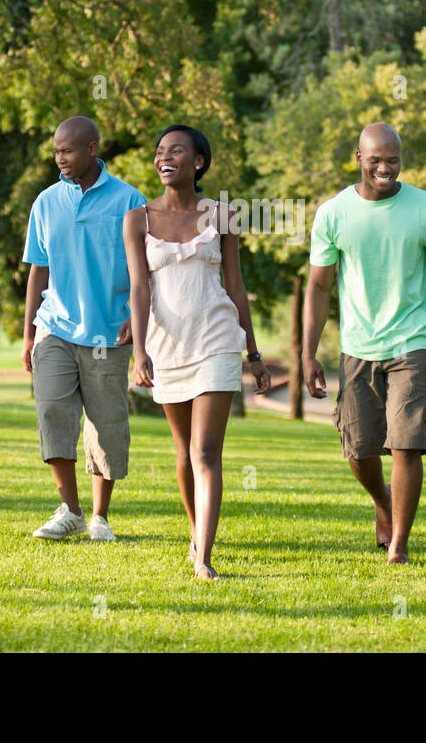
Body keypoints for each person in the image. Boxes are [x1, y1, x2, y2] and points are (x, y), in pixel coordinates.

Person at [303, 123, 426, 566]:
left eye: (393, 159)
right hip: (357, 345)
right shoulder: (333, 213)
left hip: (412, 342)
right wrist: (307, 352)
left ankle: (399, 545)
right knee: (359, 449)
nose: (385, 168)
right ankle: (383, 501)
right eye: (376, 160)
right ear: (358, 158)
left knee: (407, 441)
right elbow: (318, 286)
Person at [124, 124, 270, 581]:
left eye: (176, 151)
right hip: (167, 346)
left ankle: (204, 558)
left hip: (216, 339)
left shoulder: (223, 216)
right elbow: (139, 289)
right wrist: (141, 351)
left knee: (206, 451)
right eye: (160, 151)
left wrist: (253, 351)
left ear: (199, 162)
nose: (165, 157)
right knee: (184, 453)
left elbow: (236, 285)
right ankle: (196, 533)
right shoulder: (137, 219)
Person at [22, 116, 146, 543]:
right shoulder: (46, 201)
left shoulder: (130, 200)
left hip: (109, 330)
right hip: (54, 325)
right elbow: (39, 270)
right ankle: (70, 509)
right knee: (52, 411)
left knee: (105, 422)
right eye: (56, 151)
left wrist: (136, 313)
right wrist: (28, 333)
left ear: (92, 149)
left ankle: (99, 517)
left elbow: (144, 270)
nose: (60, 158)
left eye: (68, 150)